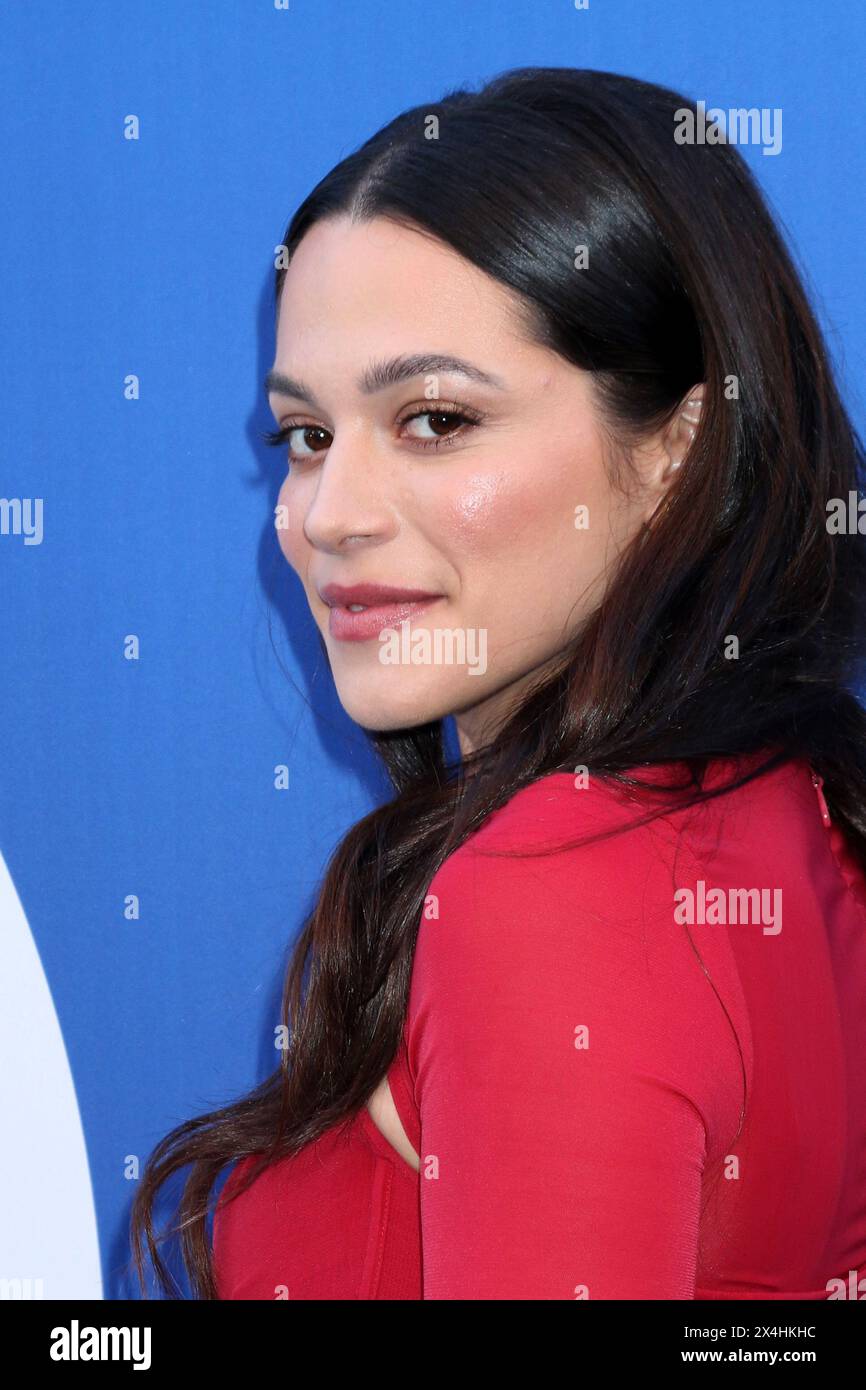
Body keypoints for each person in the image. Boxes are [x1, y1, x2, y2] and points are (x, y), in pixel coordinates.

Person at [130, 66, 866, 1300]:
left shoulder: (547, 895)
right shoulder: (793, 819)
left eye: (433, 420)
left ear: (678, 447)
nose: (325, 517)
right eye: (305, 437)